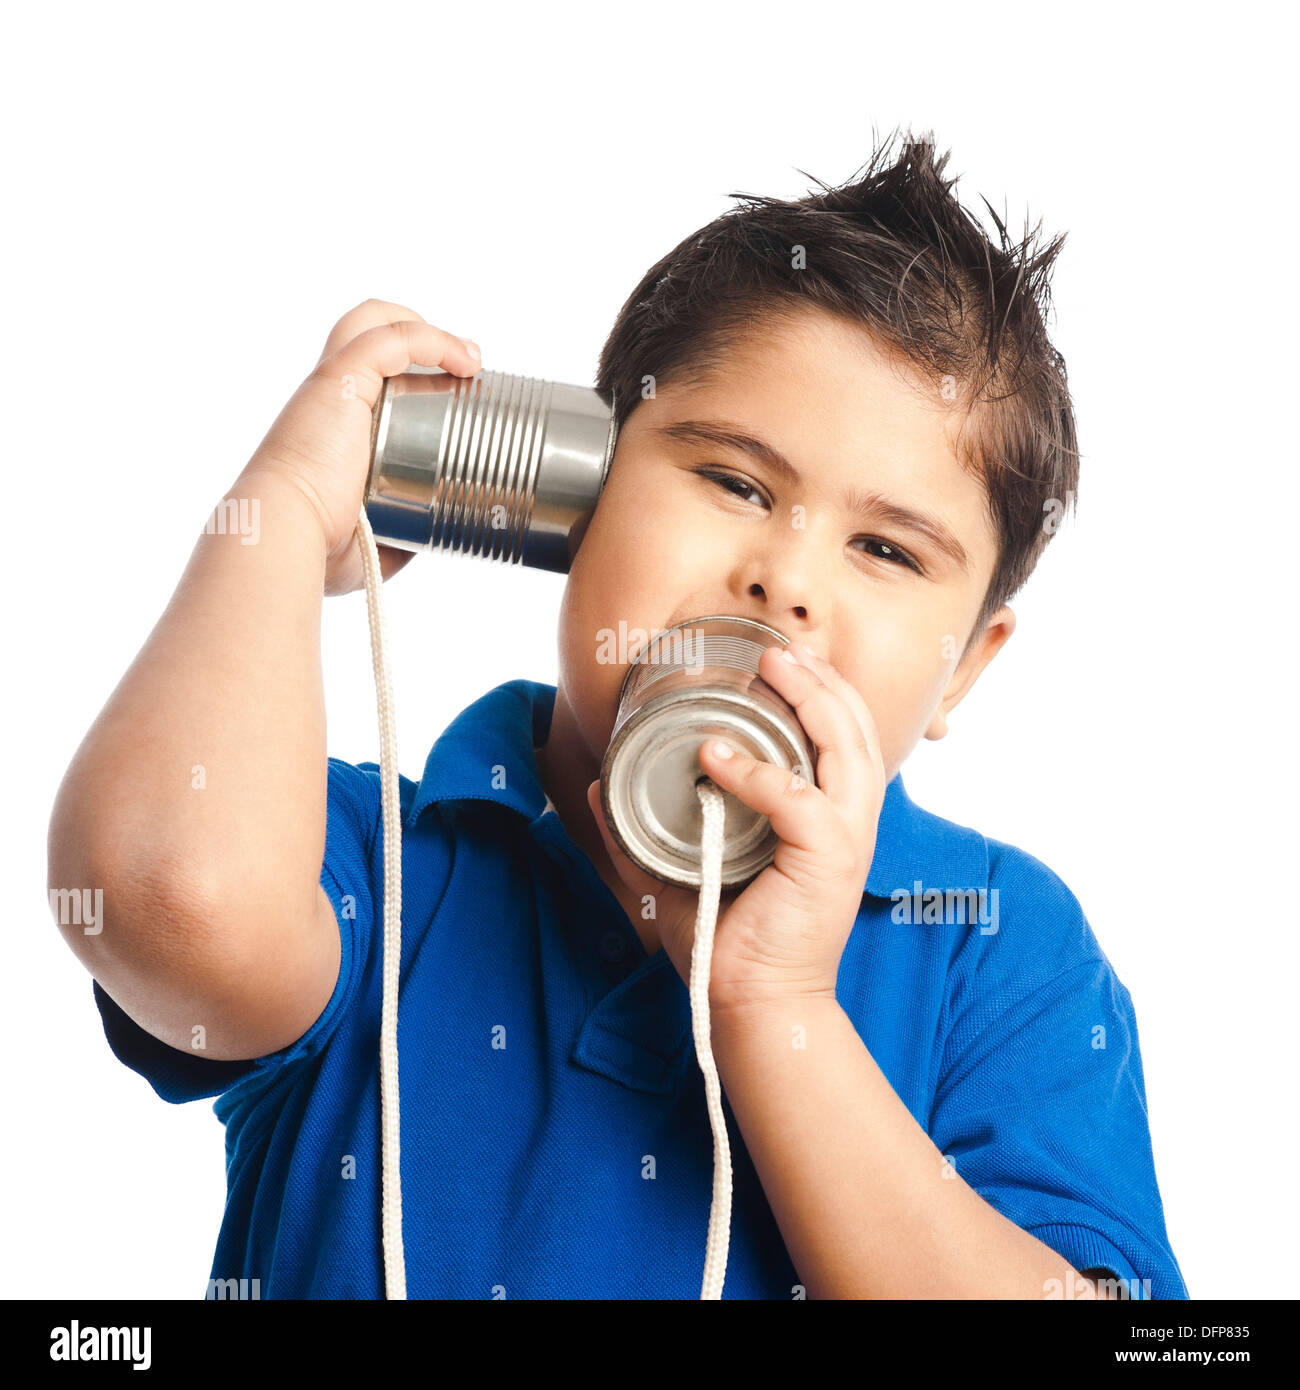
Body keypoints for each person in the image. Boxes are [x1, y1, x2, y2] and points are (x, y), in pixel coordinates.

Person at [47, 128, 1188, 1300]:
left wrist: (771, 1009)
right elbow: (168, 897)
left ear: (962, 670)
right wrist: (283, 514)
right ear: (571, 499)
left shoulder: (993, 945)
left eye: (886, 549)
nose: (785, 579)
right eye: (734, 482)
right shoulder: (371, 866)